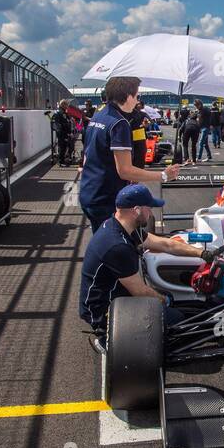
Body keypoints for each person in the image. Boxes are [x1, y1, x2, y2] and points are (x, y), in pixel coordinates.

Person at [78, 185, 208, 352]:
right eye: (149, 208)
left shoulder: (120, 226)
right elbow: (140, 292)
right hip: (101, 310)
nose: (151, 213)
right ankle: (110, 341)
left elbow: (165, 244)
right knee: (180, 323)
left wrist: (203, 254)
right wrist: (165, 301)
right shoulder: (117, 245)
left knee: (176, 305)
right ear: (137, 210)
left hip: (114, 296)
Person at [79, 76, 181, 232]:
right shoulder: (119, 124)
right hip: (106, 198)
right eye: (136, 96)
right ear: (128, 97)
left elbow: (86, 158)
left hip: (89, 192)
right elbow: (125, 171)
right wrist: (163, 175)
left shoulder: (98, 116)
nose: (137, 101)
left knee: (103, 243)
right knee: (116, 248)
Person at [50, 99, 75, 165]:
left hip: (65, 133)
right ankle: (61, 162)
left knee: (65, 146)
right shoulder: (59, 113)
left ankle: (64, 159)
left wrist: (70, 132)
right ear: (62, 105)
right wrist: (66, 133)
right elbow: (59, 125)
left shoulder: (64, 113)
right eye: (66, 104)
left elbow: (68, 122)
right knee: (62, 147)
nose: (67, 106)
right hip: (62, 133)